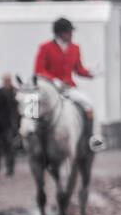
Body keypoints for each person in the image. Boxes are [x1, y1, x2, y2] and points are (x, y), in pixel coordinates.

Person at [33, 18, 106, 151]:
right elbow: (39, 70)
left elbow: (79, 70)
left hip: (68, 88)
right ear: (60, 33)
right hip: (51, 88)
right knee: (32, 107)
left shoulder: (75, 48)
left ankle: (93, 138)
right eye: (69, 32)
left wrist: (92, 73)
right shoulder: (46, 48)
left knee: (88, 105)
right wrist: (53, 80)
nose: (71, 35)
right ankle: (31, 138)